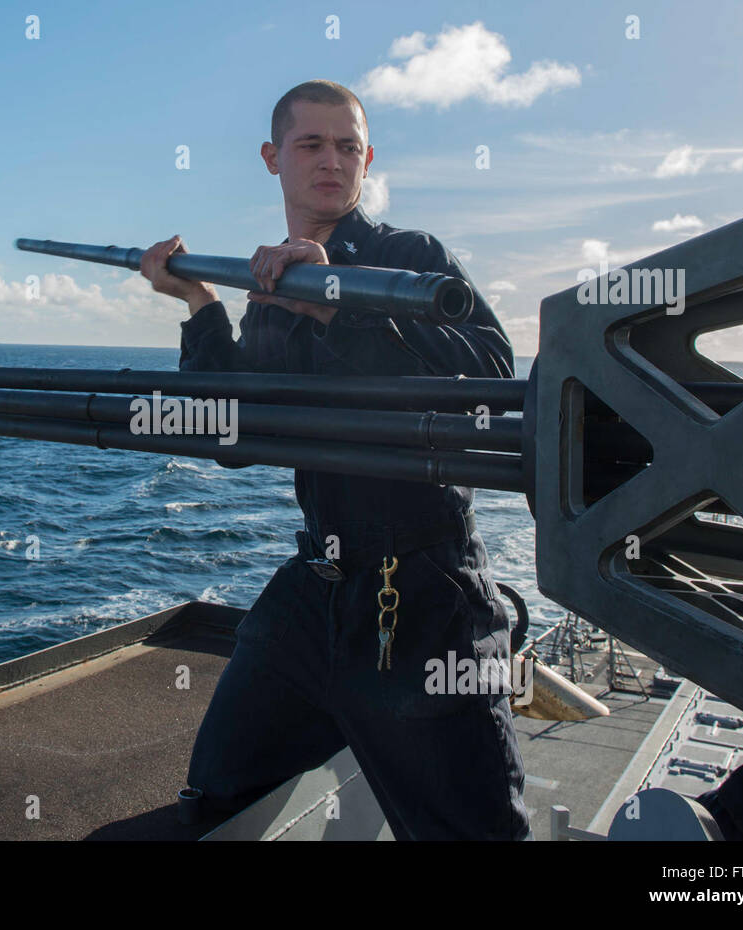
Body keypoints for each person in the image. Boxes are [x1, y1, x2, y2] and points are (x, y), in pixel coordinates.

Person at [140, 80, 529, 840]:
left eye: (347, 145)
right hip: (313, 591)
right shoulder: (270, 287)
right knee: (221, 787)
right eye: (311, 144)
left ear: (368, 158)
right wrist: (199, 305)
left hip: (422, 595)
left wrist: (338, 307)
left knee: (473, 831)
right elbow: (232, 436)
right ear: (272, 158)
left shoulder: (409, 257)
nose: (331, 160)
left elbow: (489, 380)